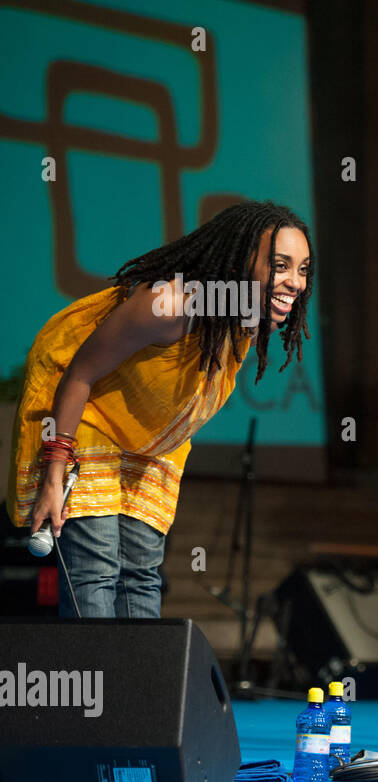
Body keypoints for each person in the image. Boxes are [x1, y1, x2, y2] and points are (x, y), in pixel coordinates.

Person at [6, 200, 313, 619]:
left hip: (149, 444)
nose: (295, 282)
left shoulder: (238, 320)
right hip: (89, 419)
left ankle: (141, 685)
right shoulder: (170, 305)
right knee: (96, 573)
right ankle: (101, 682)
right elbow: (78, 374)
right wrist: (55, 476)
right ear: (242, 263)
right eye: (280, 265)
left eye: (303, 269)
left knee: (141, 576)